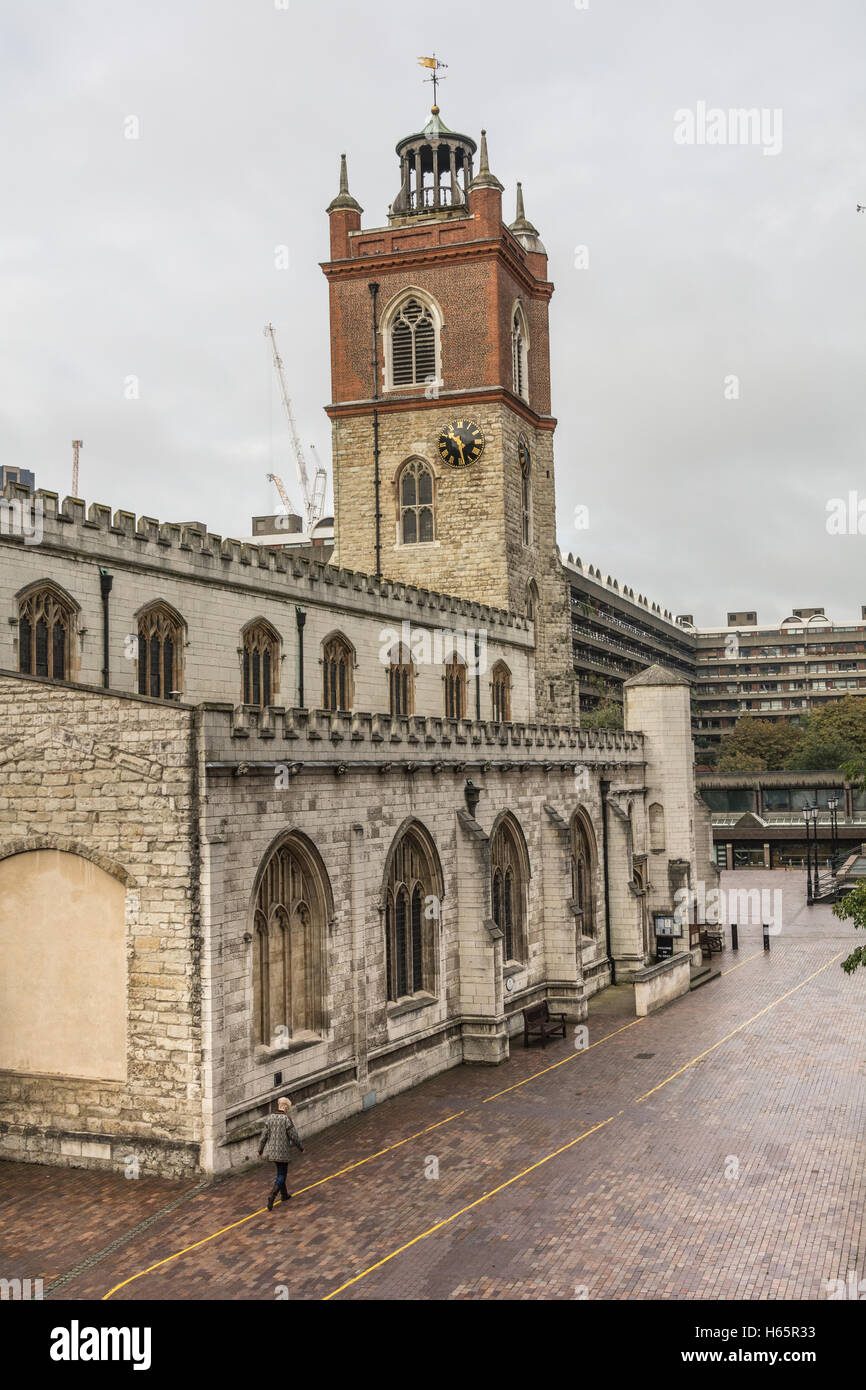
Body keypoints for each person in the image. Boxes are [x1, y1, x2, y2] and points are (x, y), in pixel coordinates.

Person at [258, 1096, 305, 1210]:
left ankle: (284, 1195)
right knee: (282, 1175)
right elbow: (294, 1136)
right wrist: (301, 1148)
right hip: (283, 1152)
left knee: (280, 1172)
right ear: (285, 1107)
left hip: (273, 1152)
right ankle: (272, 1196)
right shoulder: (286, 1119)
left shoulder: (270, 1118)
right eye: (288, 1107)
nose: (288, 1110)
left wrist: (260, 1150)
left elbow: (264, 1136)